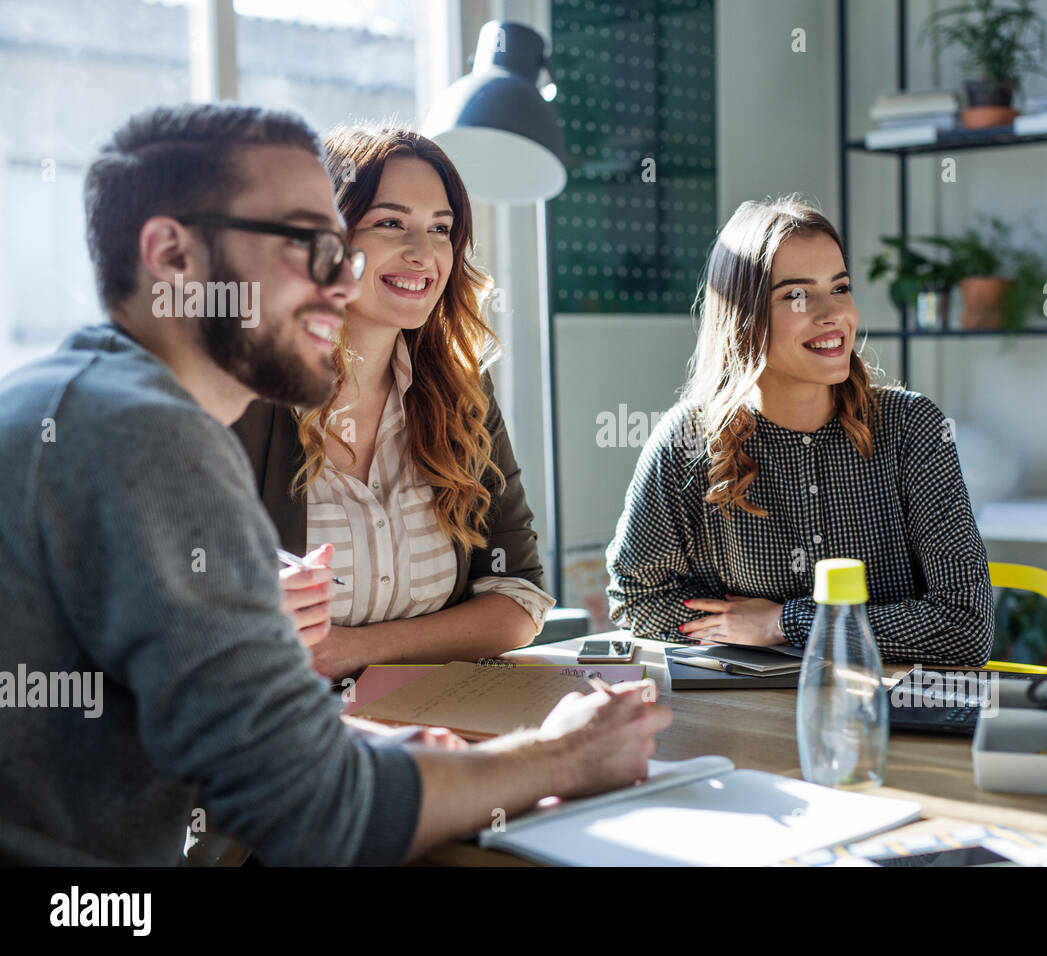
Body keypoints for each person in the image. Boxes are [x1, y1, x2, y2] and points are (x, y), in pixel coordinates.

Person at [0, 102, 668, 866]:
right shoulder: (145, 436)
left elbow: (219, 728)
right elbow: (313, 809)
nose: (341, 275)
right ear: (173, 257)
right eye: (305, 242)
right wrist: (562, 758)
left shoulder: (88, 400)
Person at [606, 197, 994, 666]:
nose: (833, 314)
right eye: (796, 294)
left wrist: (780, 625)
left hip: (886, 714)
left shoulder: (912, 428)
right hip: (742, 716)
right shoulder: (685, 440)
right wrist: (738, 633)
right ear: (743, 316)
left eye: (841, 287)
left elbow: (966, 625)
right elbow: (637, 601)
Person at [233, 126, 549, 681]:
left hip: (431, 725)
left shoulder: (462, 394)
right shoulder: (244, 396)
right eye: (390, 222)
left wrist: (357, 649)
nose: (423, 254)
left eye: (441, 229)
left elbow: (518, 596)